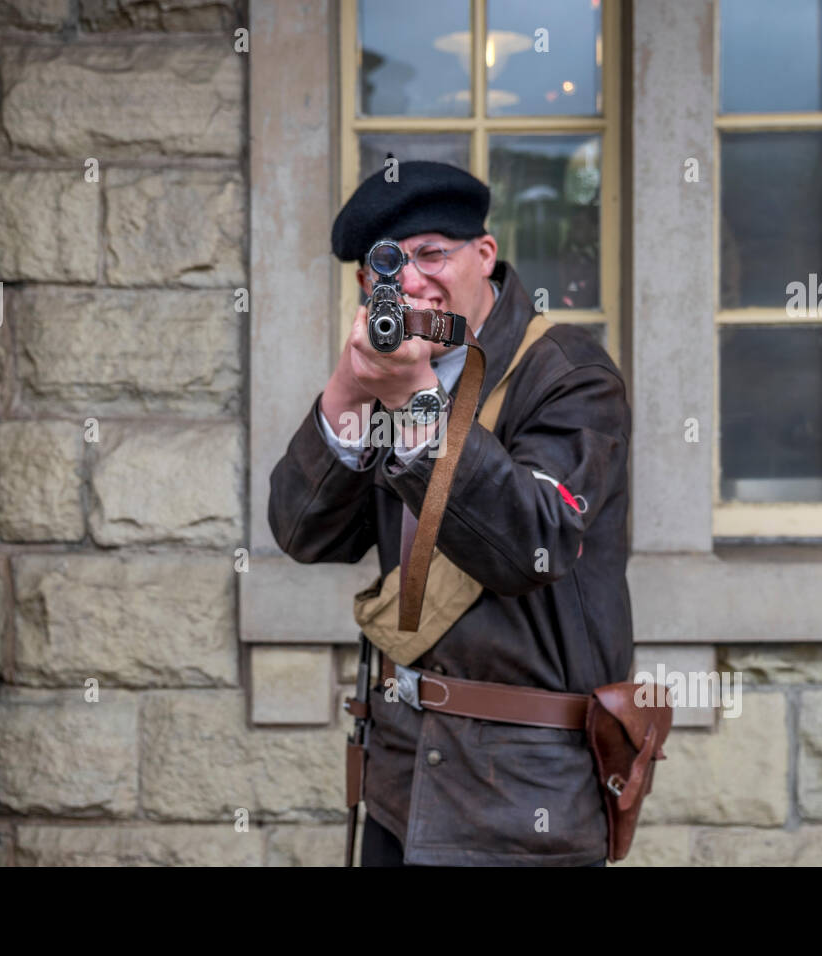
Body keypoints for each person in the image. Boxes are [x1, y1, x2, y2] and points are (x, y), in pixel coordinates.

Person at [267, 161, 633, 866]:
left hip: (523, 793)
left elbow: (534, 544)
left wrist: (414, 404)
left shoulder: (569, 372)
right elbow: (303, 532)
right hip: (401, 775)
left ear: (484, 256)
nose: (410, 280)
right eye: (387, 266)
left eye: (432, 253)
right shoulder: (392, 374)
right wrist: (347, 388)